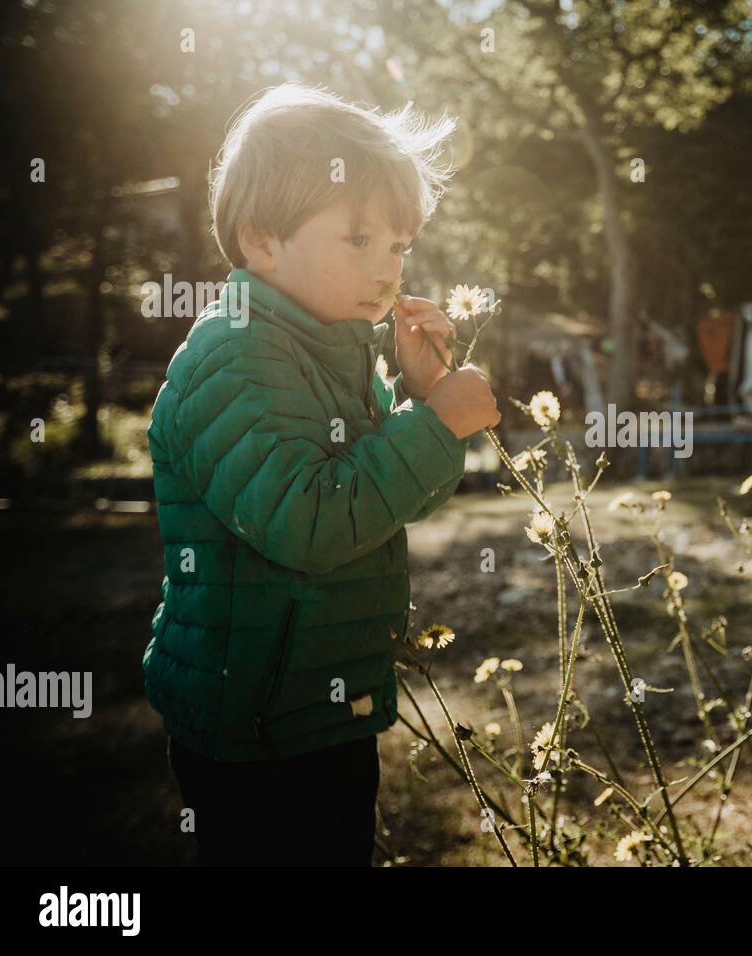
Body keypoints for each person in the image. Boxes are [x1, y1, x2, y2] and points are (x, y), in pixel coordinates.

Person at [141, 84, 501, 866]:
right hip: (255, 727)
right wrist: (436, 424)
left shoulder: (328, 349)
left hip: (320, 705)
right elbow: (309, 523)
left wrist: (417, 392)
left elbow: (392, 500)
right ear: (262, 241)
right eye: (360, 239)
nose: (387, 269)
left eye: (400, 246)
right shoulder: (234, 358)